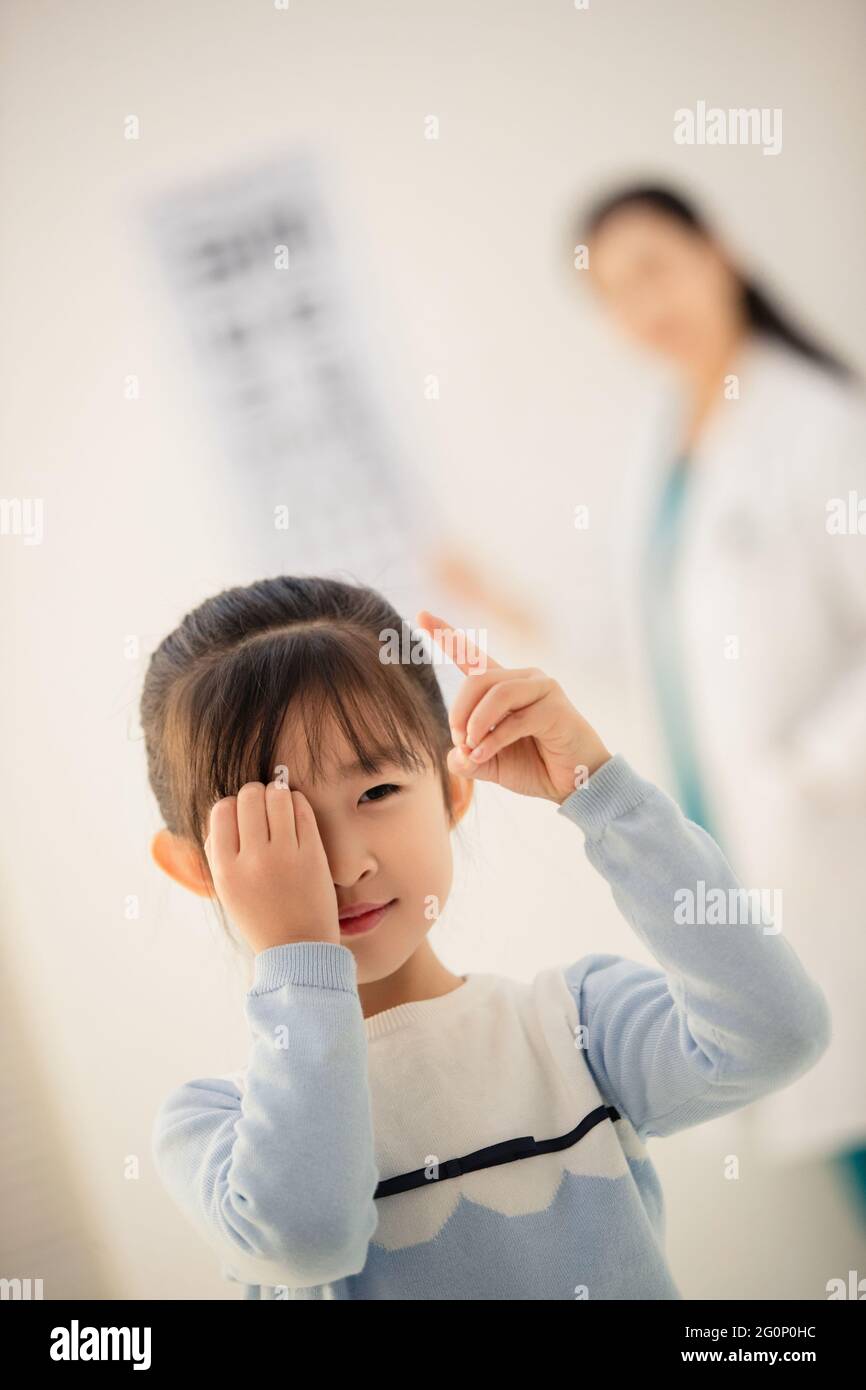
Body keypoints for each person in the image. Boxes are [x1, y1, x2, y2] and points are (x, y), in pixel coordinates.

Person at [143, 574, 828, 1298]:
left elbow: (775, 1034)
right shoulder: (219, 1127)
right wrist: (298, 963)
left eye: (376, 793)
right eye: (279, 828)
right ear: (197, 867)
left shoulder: (574, 1025)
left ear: (453, 789)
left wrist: (601, 792)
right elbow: (308, 1238)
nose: (346, 864)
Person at [579, 183, 866, 1211]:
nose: (642, 304)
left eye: (653, 266)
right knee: (820, 1097)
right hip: (731, 851)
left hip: (825, 837)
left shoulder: (816, 423)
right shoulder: (664, 431)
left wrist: (811, 773)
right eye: (613, 291)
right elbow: (653, 635)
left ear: (719, 250)